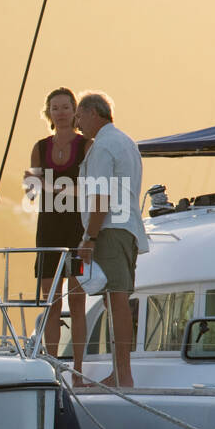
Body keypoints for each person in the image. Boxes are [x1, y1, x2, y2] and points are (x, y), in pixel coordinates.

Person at [75, 91, 150, 388]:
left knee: (116, 298)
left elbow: (101, 197)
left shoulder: (104, 146)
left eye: (80, 115)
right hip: (127, 227)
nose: (78, 123)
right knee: (114, 299)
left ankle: (122, 375)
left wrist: (89, 238)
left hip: (110, 230)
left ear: (95, 113)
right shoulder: (127, 142)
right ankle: (120, 372)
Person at [24, 86, 88, 371]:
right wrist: (55, 187)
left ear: (75, 111)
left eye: (65, 107)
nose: (60, 113)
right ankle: (50, 363)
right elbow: (31, 191)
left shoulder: (87, 146)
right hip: (48, 229)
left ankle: (78, 367)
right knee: (50, 301)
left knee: (77, 300)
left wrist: (53, 187)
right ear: (48, 113)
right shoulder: (40, 147)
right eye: (55, 108)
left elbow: (90, 189)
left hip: (77, 229)